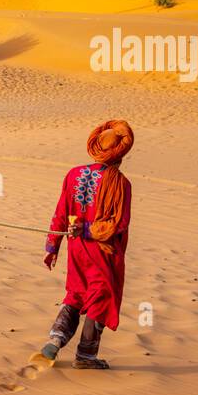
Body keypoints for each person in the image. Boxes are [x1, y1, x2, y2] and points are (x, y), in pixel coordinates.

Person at [39, 120, 134, 368]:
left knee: (77, 292)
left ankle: (55, 340)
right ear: (121, 152)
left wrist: (52, 246)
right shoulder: (120, 183)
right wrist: (90, 229)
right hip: (102, 249)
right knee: (100, 295)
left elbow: (60, 213)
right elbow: (118, 225)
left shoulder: (73, 174)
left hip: (76, 248)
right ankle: (86, 356)